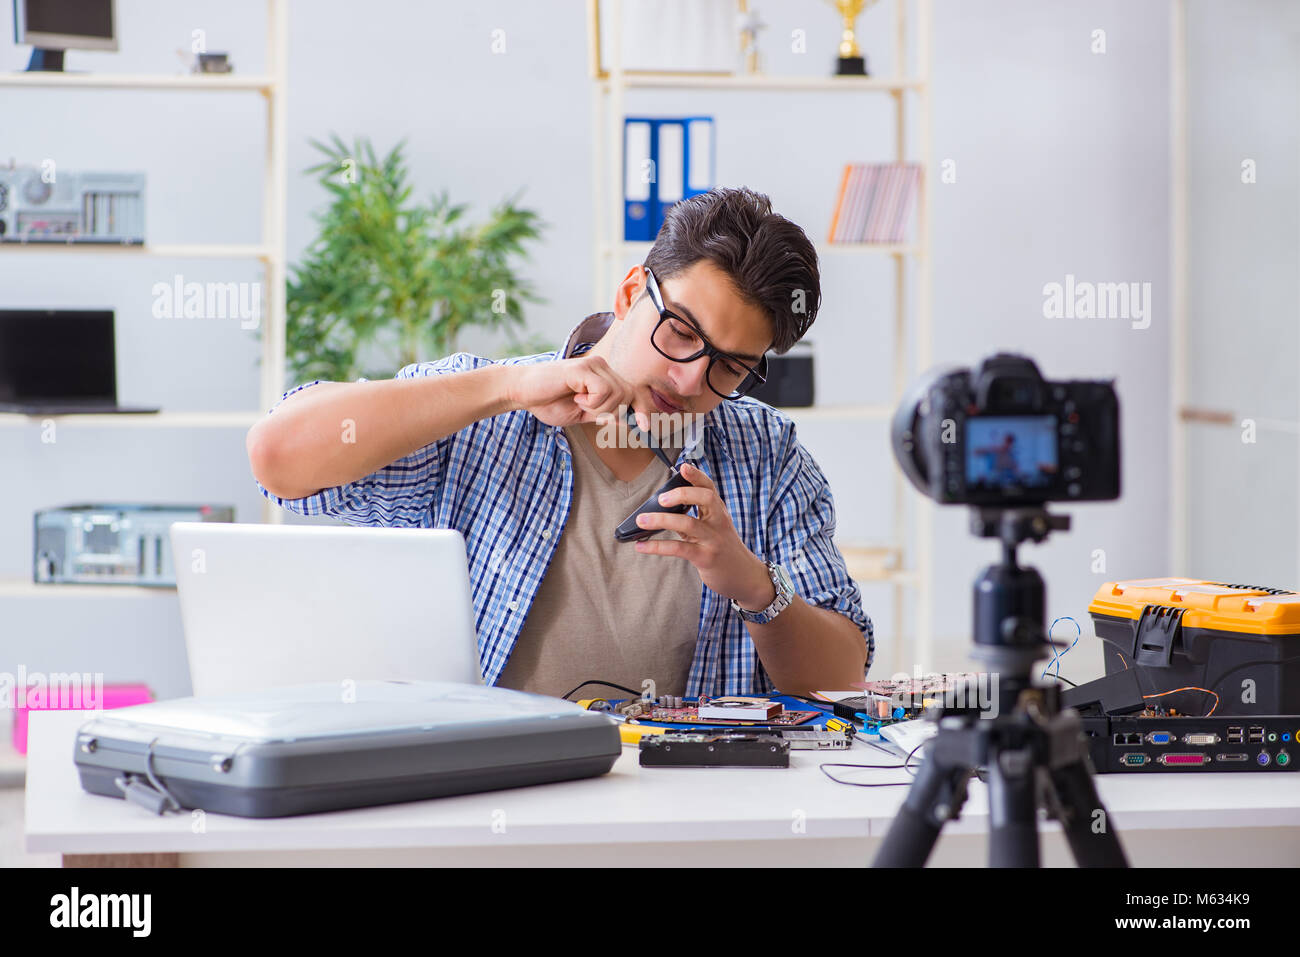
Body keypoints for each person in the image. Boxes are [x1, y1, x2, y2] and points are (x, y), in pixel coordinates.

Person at [246, 186, 873, 698]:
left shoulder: (768, 457)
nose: (689, 378)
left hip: (678, 816)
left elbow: (841, 679)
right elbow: (278, 457)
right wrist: (504, 387)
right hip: (491, 807)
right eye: (681, 332)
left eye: (730, 368)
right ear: (632, 293)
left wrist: (749, 581)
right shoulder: (486, 408)